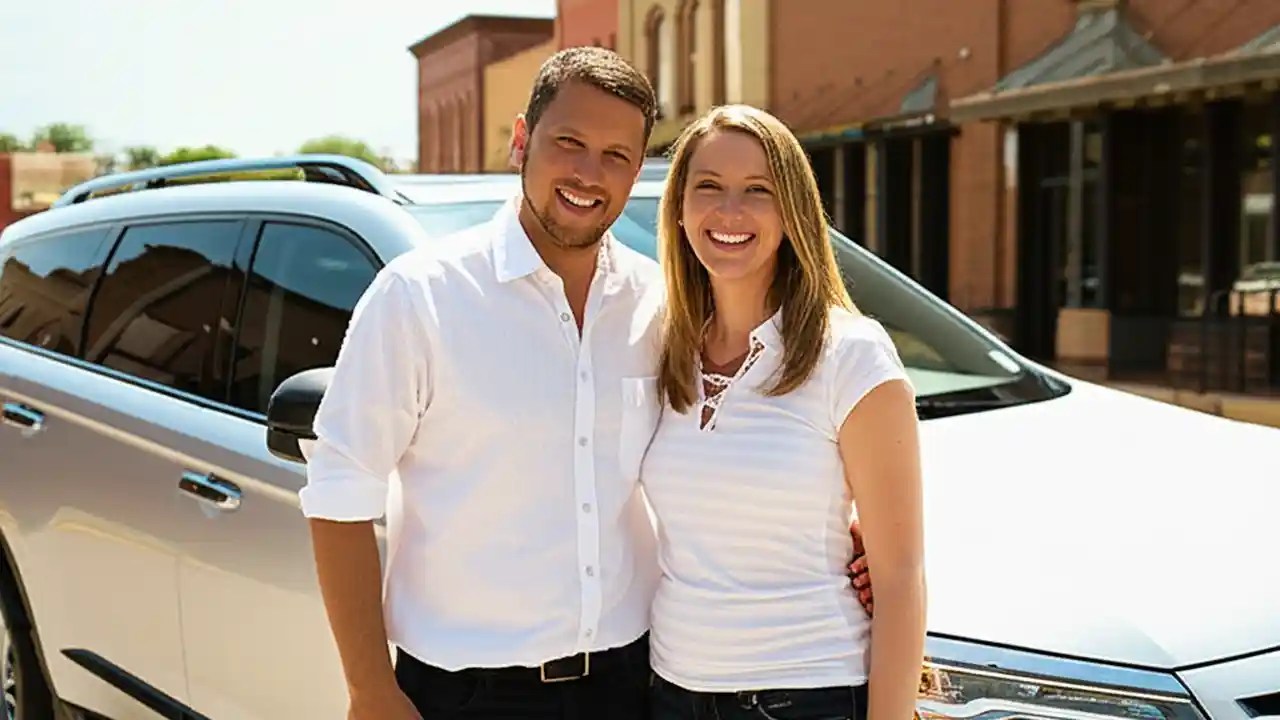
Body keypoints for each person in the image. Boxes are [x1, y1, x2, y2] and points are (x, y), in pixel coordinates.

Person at [299, 46, 875, 720]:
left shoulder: (664, 304)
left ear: (638, 171)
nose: (587, 173)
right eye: (568, 142)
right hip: (469, 695)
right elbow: (339, 498)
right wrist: (371, 691)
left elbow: (734, 436)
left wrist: (838, 522)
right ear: (521, 140)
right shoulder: (418, 297)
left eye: (615, 156)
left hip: (634, 685)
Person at [641, 105, 927, 720]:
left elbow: (900, 577)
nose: (729, 212)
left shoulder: (850, 353)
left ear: (793, 208)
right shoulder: (661, 346)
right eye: (708, 187)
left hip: (806, 694)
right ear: (680, 206)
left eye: (758, 191)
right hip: (670, 691)